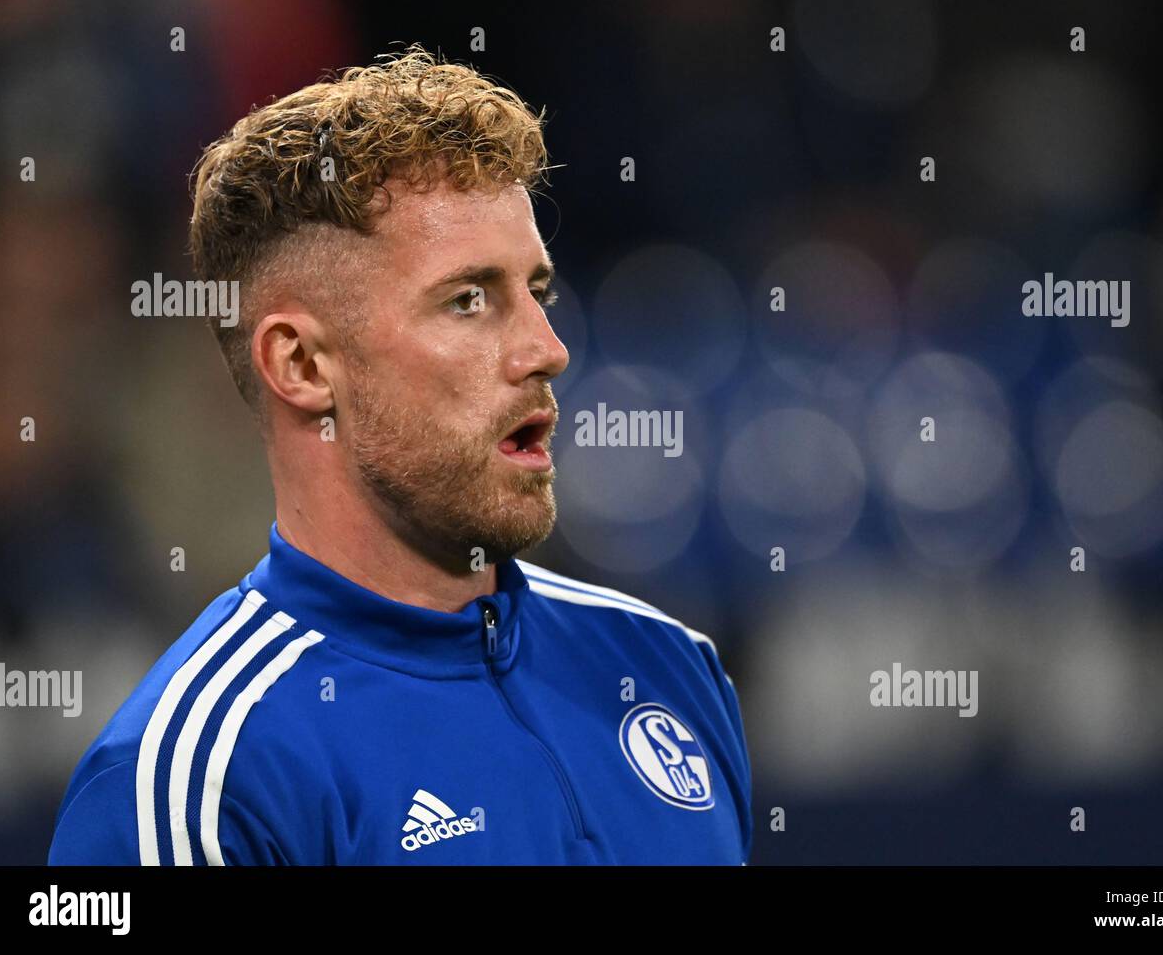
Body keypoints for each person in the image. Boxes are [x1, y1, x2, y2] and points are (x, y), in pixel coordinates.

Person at [48, 46, 752, 865]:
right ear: (303, 366)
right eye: (467, 300)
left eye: (540, 292)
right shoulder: (195, 780)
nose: (548, 348)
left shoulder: (666, 666)